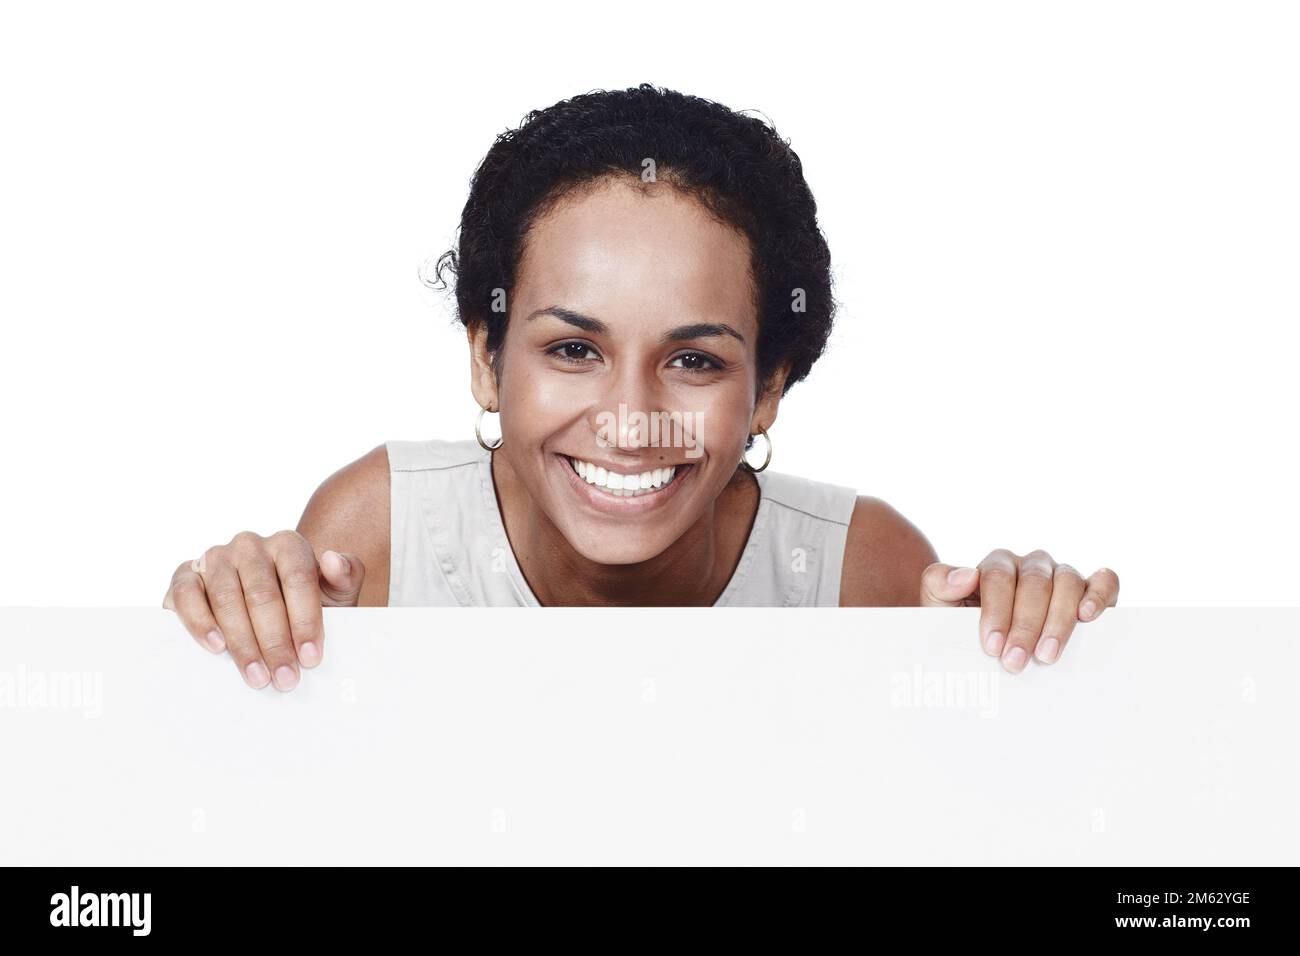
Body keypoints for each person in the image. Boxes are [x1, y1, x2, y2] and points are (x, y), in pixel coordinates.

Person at [163, 85, 1119, 691]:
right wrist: (209, 645)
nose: (630, 421)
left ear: (771, 387)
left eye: (696, 360)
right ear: (486, 358)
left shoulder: (860, 573)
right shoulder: (377, 534)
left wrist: (1031, 668)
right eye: (573, 350)